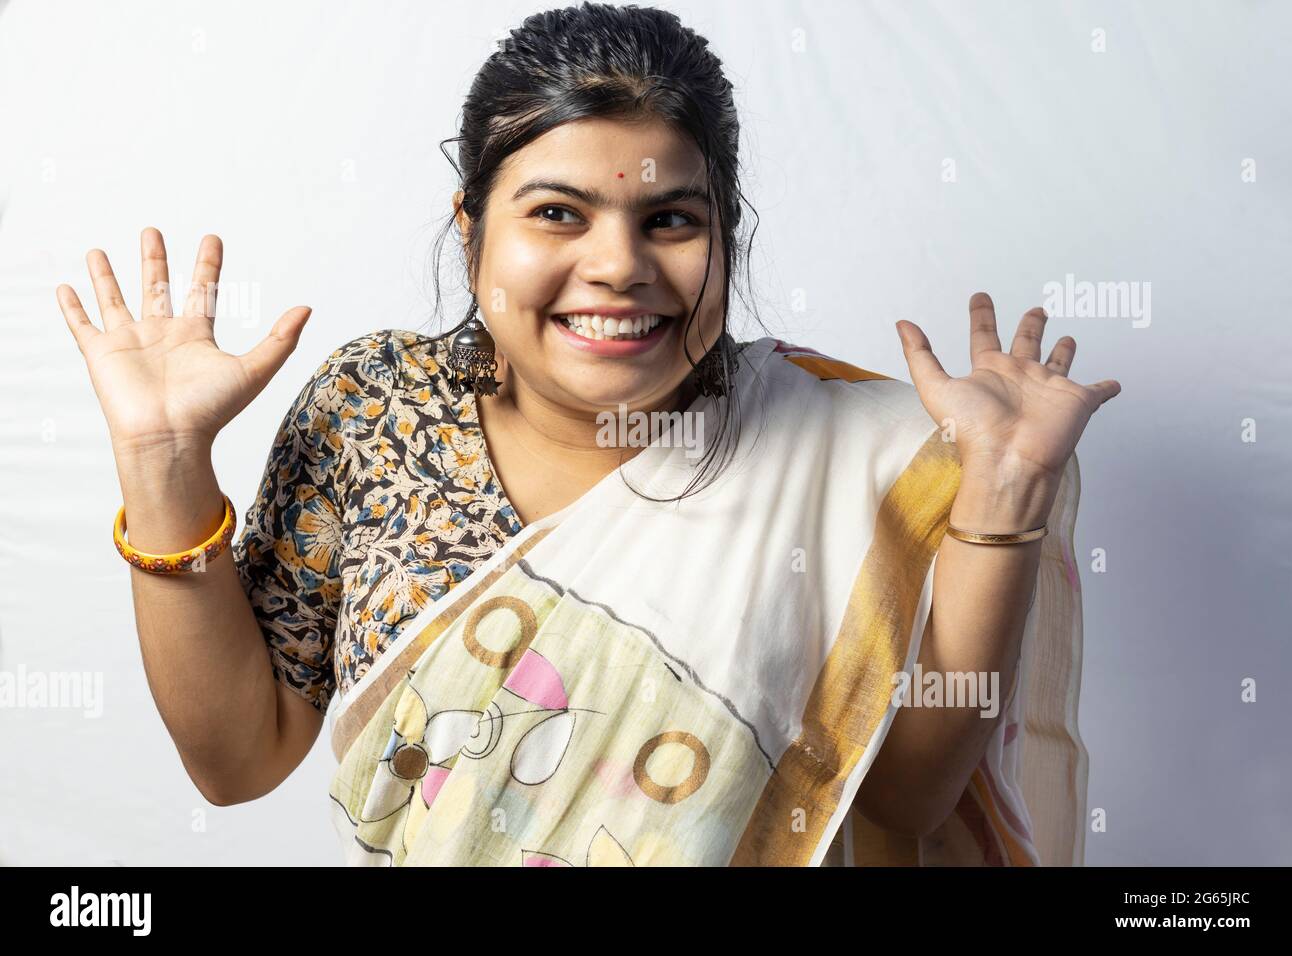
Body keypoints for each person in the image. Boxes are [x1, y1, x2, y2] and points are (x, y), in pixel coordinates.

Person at [58, 2, 1117, 866]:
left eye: (670, 219)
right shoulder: (372, 410)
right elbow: (237, 761)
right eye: (557, 213)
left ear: (722, 234)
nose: (619, 265)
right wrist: (162, 462)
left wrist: (1003, 500)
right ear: (472, 227)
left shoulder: (844, 455)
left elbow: (905, 797)